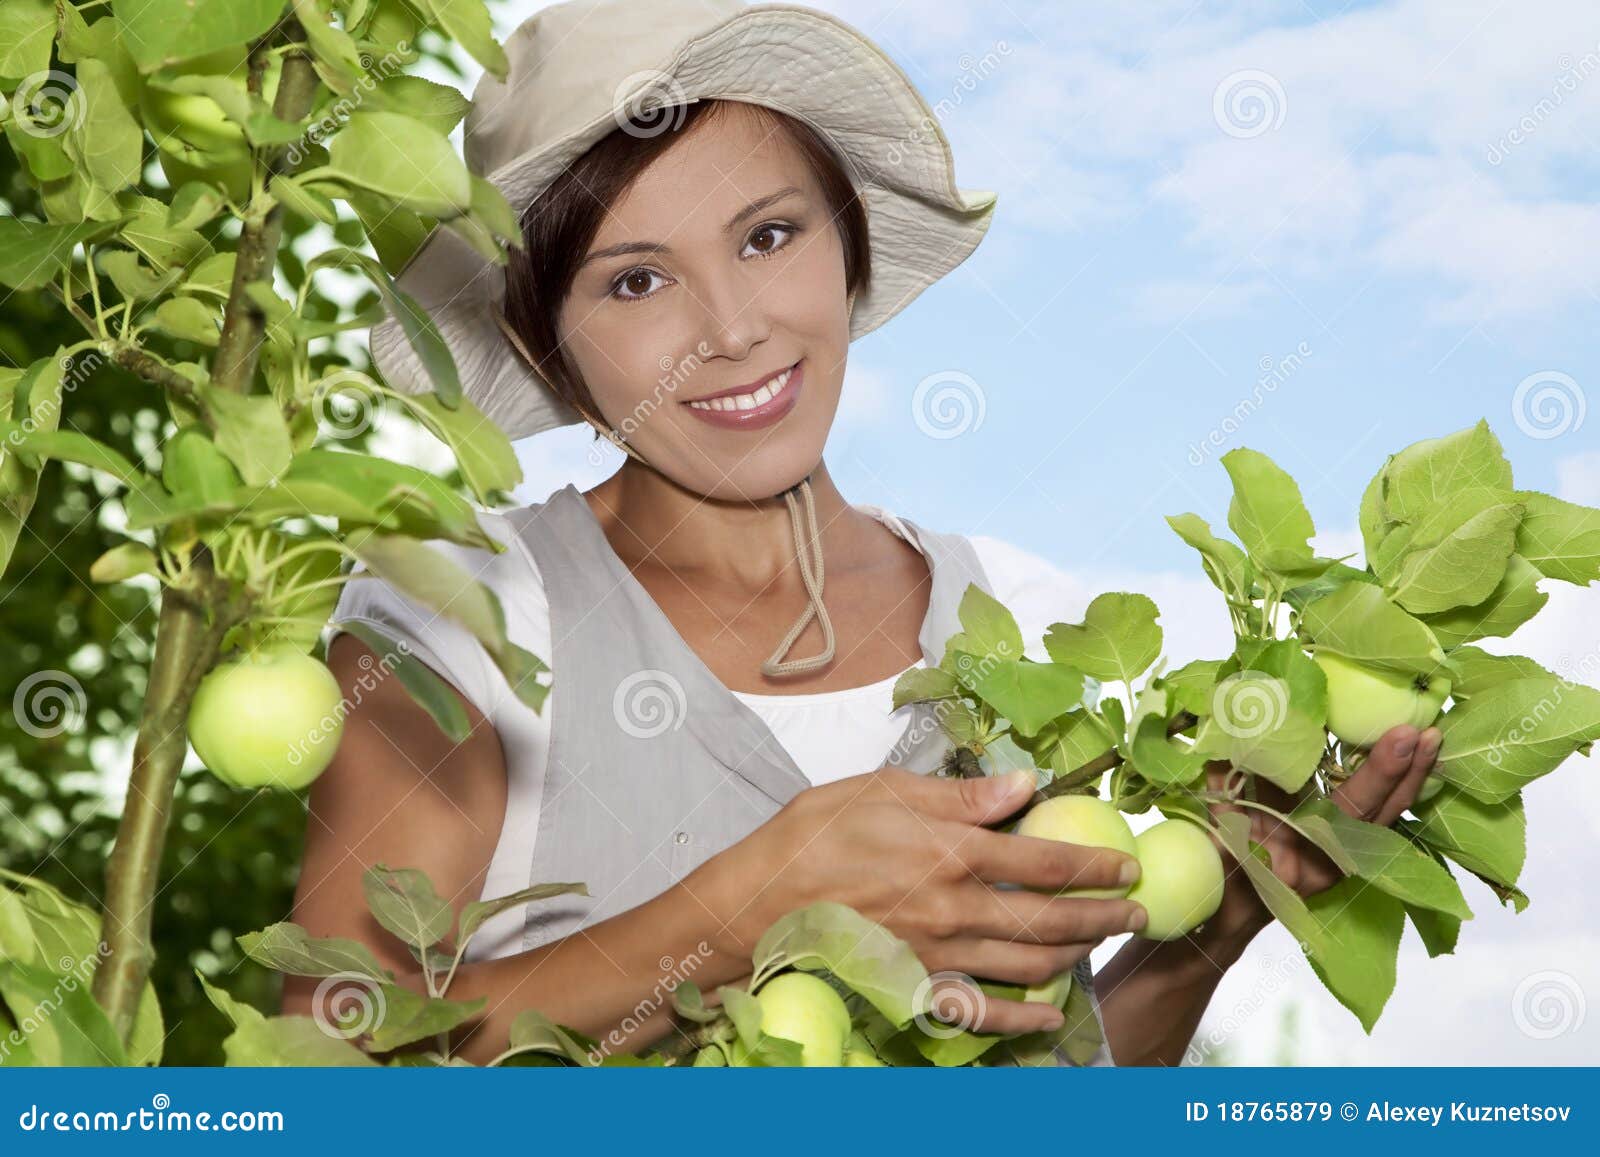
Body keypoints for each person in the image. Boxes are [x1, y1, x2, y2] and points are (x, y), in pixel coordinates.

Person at [283, 0, 1442, 1066]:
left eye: (768, 236)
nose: (732, 328)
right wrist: (750, 904)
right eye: (635, 283)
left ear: (849, 254)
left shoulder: (1016, 622)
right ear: (548, 354)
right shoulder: (463, 609)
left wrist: (1209, 929)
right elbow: (341, 1060)